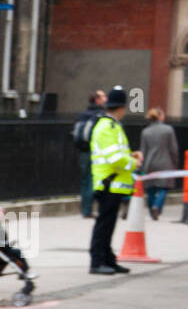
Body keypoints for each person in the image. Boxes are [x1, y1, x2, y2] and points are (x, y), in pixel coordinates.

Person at [88, 85, 141, 274]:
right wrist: (134, 163)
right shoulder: (107, 127)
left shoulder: (113, 126)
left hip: (113, 184)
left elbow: (120, 153)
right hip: (108, 183)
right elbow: (115, 158)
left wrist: (131, 155)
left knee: (108, 224)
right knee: (104, 224)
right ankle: (97, 262)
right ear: (121, 107)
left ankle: (108, 259)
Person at [139, 107, 179, 221]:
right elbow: (173, 149)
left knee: (151, 188)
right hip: (165, 163)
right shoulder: (168, 130)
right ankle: (157, 206)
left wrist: (142, 165)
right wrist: (174, 163)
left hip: (149, 163)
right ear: (160, 116)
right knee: (163, 188)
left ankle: (152, 208)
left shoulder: (145, 131)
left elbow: (143, 150)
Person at [74, 90, 106, 218]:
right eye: (103, 97)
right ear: (97, 100)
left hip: (82, 151)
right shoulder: (100, 115)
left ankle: (84, 209)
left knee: (84, 180)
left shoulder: (83, 115)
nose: (106, 99)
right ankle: (88, 210)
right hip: (94, 151)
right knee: (93, 180)